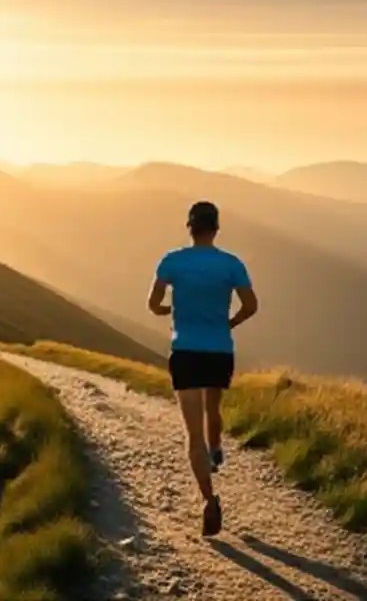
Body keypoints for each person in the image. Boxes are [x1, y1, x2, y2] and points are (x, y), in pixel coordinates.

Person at [148, 200, 258, 536]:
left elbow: (153, 305)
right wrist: (229, 323)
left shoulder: (172, 261)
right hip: (219, 349)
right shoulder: (231, 264)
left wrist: (170, 310)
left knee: (192, 432)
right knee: (214, 407)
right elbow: (251, 305)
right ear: (216, 228)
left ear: (189, 227)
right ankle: (216, 449)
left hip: (185, 351)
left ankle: (209, 499)